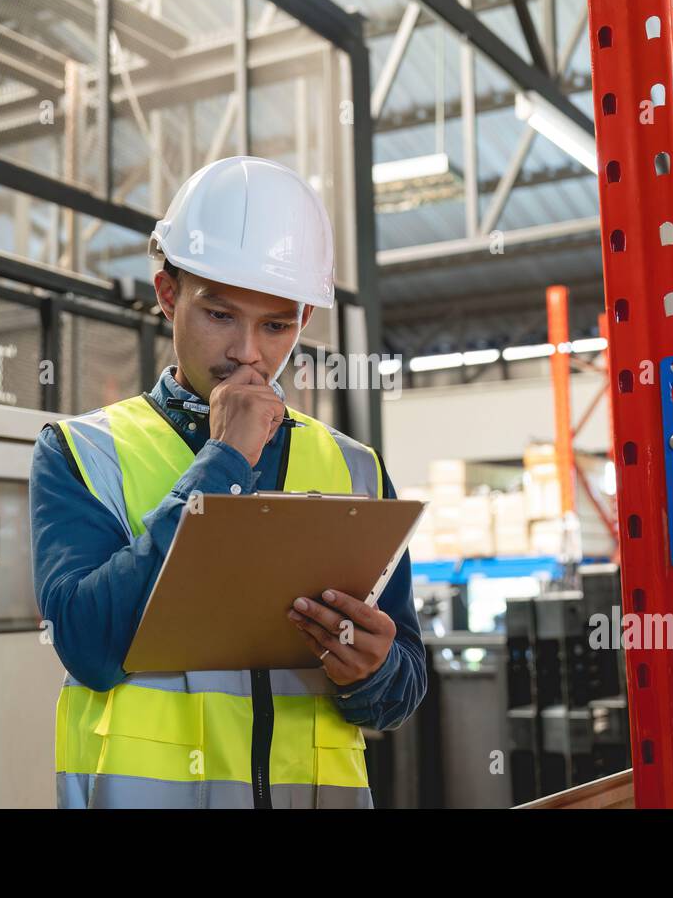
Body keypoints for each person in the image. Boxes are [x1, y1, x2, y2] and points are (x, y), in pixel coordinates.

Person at [30, 156, 426, 808]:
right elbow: (91, 647)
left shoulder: (355, 468)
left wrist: (376, 672)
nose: (248, 351)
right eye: (220, 315)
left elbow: (401, 690)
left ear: (304, 320)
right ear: (167, 295)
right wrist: (224, 462)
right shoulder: (83, 453)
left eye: (276, 326)